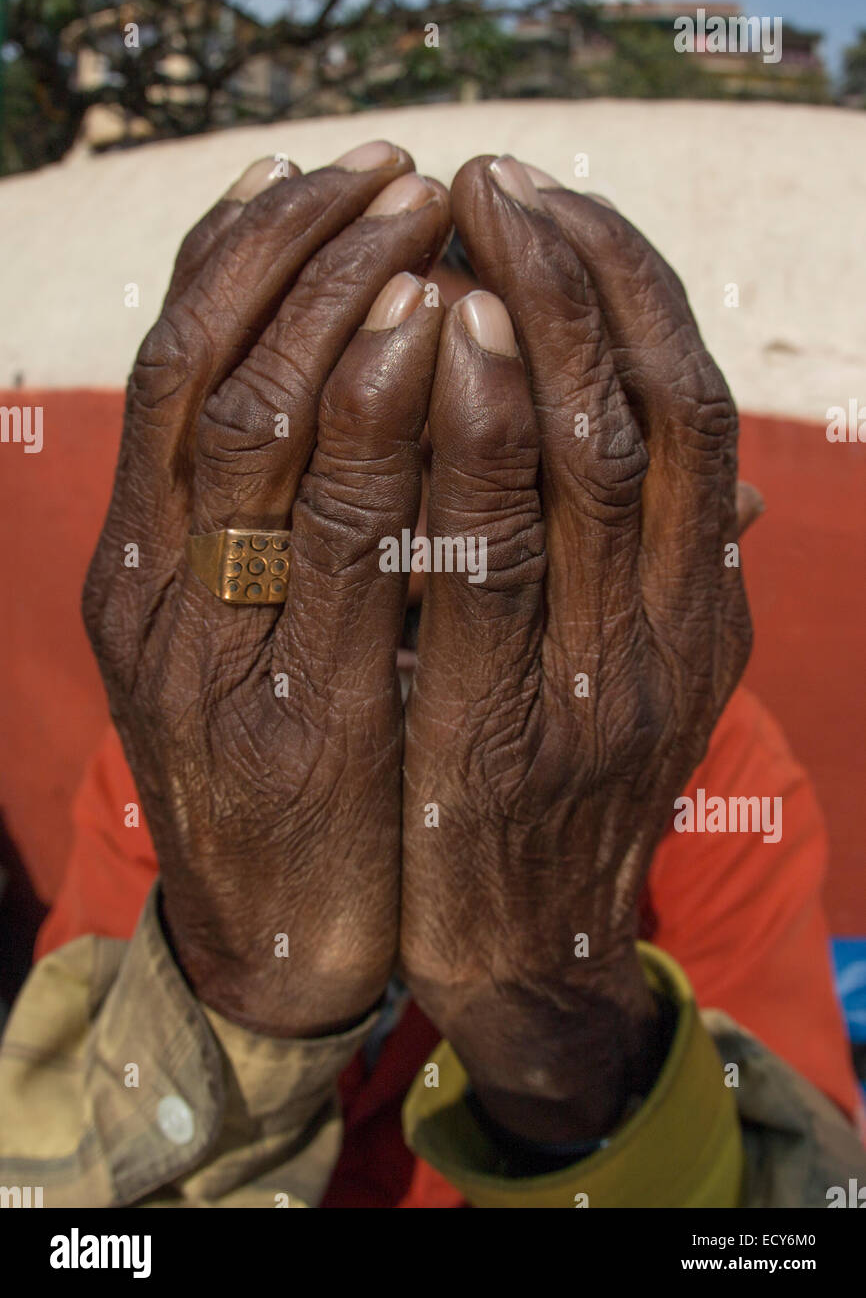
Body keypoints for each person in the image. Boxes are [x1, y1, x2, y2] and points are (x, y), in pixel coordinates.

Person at [0, 140, 862, 1208]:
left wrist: (547, 1004)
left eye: (492, 476)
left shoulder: (711, 772)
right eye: (354, 465)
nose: (413, 563)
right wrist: (249, 987)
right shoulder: (182, 761)